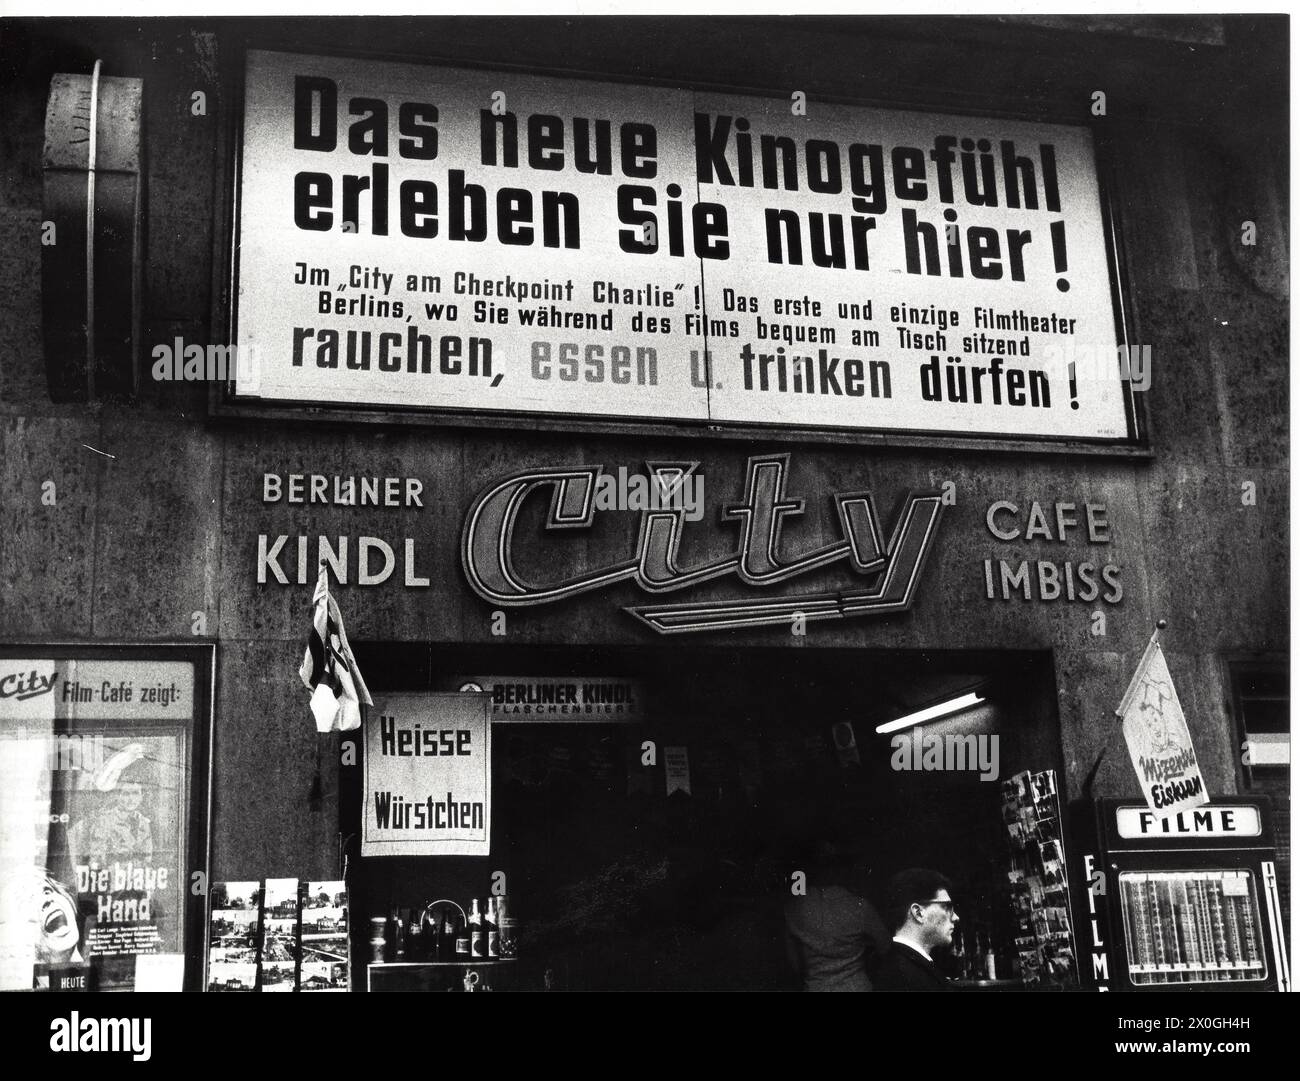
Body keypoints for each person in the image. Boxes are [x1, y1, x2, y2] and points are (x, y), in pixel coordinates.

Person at [783, 839, 890, 991]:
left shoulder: (795, 907)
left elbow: (795, 964)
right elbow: (886, 949)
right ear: (843, 869)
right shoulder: (860, 907)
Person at [874, 867, 959, 991]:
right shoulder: (903, 973)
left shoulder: (902, 965)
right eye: (947, 907)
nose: (956, 917)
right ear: (918, 913)